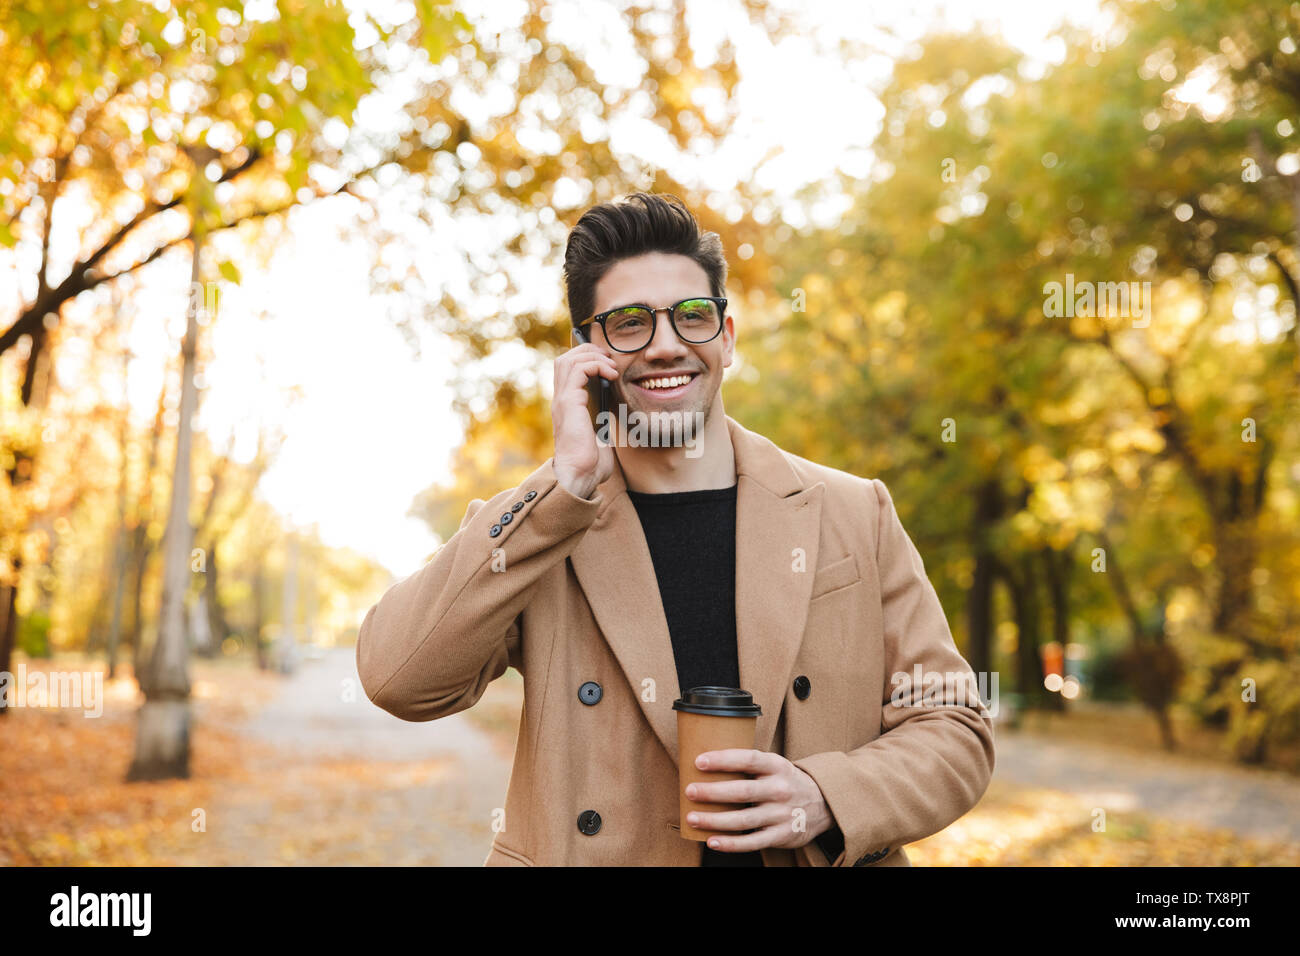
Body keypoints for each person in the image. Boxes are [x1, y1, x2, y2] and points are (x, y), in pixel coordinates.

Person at [356, 192, 995, 866]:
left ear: (726, 338)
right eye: (629, 323)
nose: (665, 345)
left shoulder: (852, 512)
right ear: (587, 352)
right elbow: (397, 677)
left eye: (691, 317)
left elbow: (953, 727)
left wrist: (825, 795)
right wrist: (563, 485)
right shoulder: (543, 527)